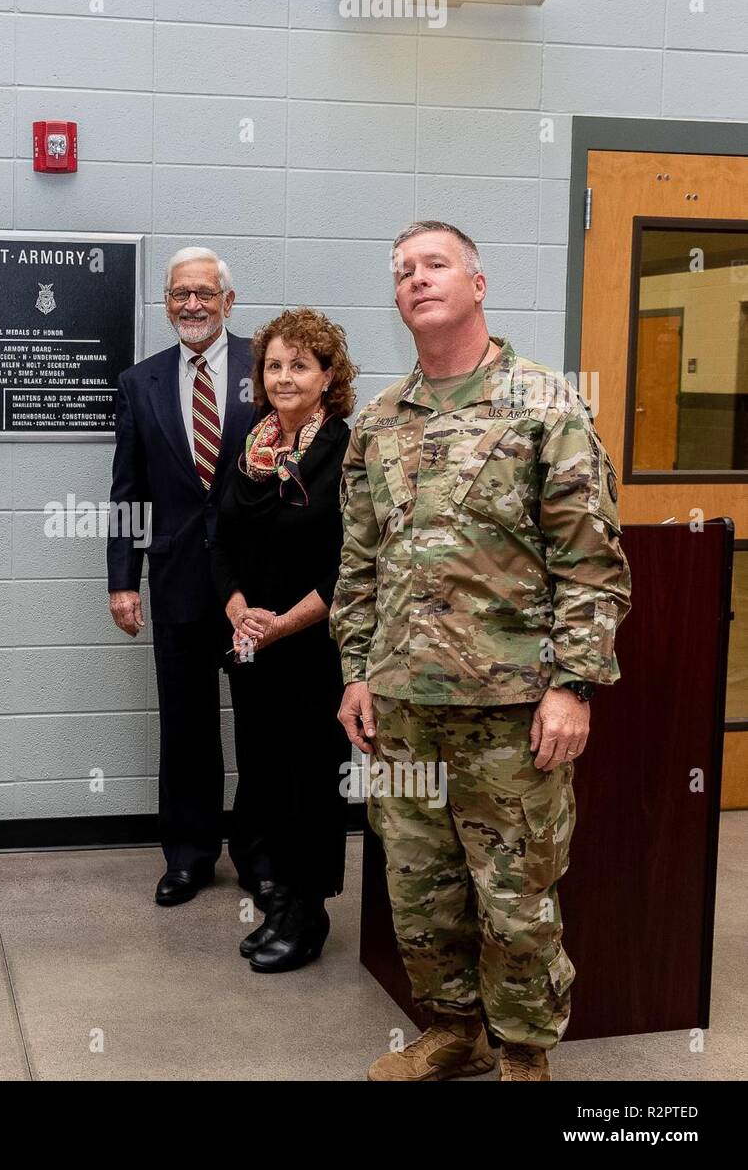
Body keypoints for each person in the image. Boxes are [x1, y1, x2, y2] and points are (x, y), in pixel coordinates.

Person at [331, 220, 632, 1081]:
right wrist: (357, 672)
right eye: (401, 272)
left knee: (516, 898)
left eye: (434, 265)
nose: (415, 280)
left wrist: (573, 684)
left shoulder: (546, 406)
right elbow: (359, 564)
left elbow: (592, 564)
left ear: (477, 283)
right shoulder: (381, 423)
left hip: (511, 712)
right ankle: (455, 1030)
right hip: (402, 709)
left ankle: (525, 1054)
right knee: (419, 889)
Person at [108, 247, 269, 907]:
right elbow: (128, 489)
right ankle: (189, 853)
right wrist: (123, 578)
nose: (192, 305)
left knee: (259, 723)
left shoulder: (269, 367)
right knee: (185, 726)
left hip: (255, 589)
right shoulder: (139, 382)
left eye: (205, 293)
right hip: (175, 581)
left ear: (228, 302)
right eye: (180, 295)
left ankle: (259, 854)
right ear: (167, 303)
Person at [212, 309, 355, 972]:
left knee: (310, 782)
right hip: (252, 648)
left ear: (328, 375)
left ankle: (309, 910)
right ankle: (280, 902)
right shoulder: (249, 444)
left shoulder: (346, 451)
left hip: (312, 649)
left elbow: (351, 562)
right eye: (273, 364)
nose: (284, 376)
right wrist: (240, 608)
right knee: (266, 775)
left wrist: (281, 622)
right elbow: (221, 538)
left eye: (300, 364)